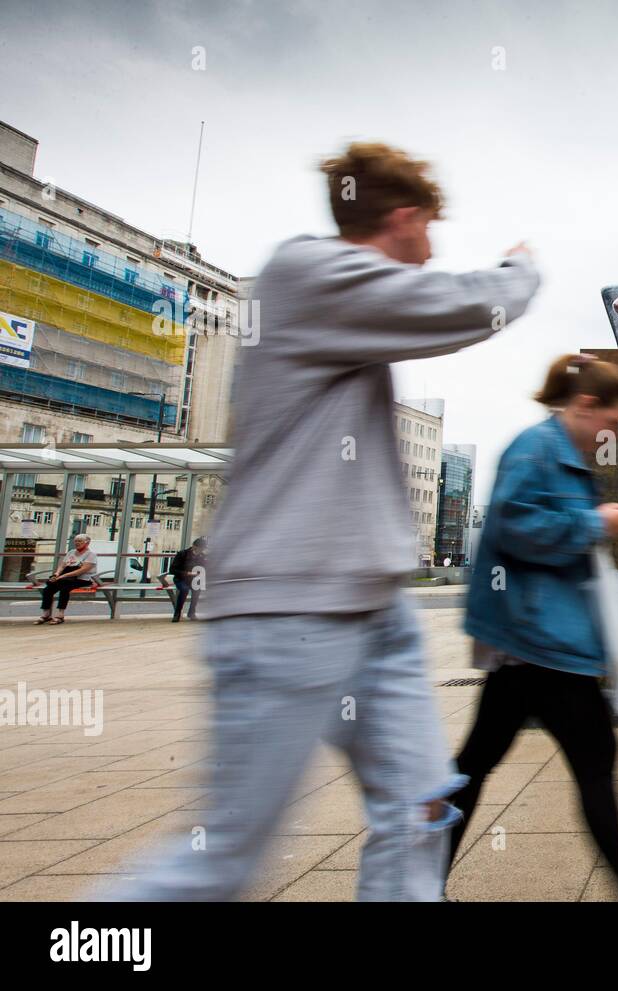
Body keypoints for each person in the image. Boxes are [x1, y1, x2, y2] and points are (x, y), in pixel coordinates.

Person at [107, 141, 540, 902]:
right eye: (430, 227)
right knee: (225, 856)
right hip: (289, 611)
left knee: (419, 815)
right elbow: (462, 306)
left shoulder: (343, 304)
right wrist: (520, 271)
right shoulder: (305, 275)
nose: (432, 247)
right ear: (403, 218)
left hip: (374, 613)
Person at [450, 354, 618, 902]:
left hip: (531, 645)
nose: (613, 436)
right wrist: (595, 522)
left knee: (478, 764)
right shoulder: (536, 449)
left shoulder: (556, 450)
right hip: (539, 641)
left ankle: (415, 882)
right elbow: (512, 525)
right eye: (613, 424)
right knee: (591, 761)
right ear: (586, 405)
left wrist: (597, 522)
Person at [33, 534, 98, 625]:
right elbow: (62, 565)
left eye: (80, 541)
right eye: (76, 541)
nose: (77, 543)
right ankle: (46, 614)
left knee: (65, 589)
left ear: (87, 543)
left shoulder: (91, 555)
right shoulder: (71, 552)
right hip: (66, 577)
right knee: (48, 588)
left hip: (83, 579)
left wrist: (63, 576)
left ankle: (60, 615)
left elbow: (82, 570)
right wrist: (57, 574)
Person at [168, 536, 207, 622]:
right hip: (181, 579)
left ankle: (191, 613)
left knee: (197, 590)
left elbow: (205, 568)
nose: (201, 551)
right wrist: (186, 573)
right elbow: (172, 570)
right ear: (194, 546)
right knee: (184, 590)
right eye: (201, 548)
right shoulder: (182, 554)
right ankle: (177, 613)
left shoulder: (202, 556)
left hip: (194, 580)